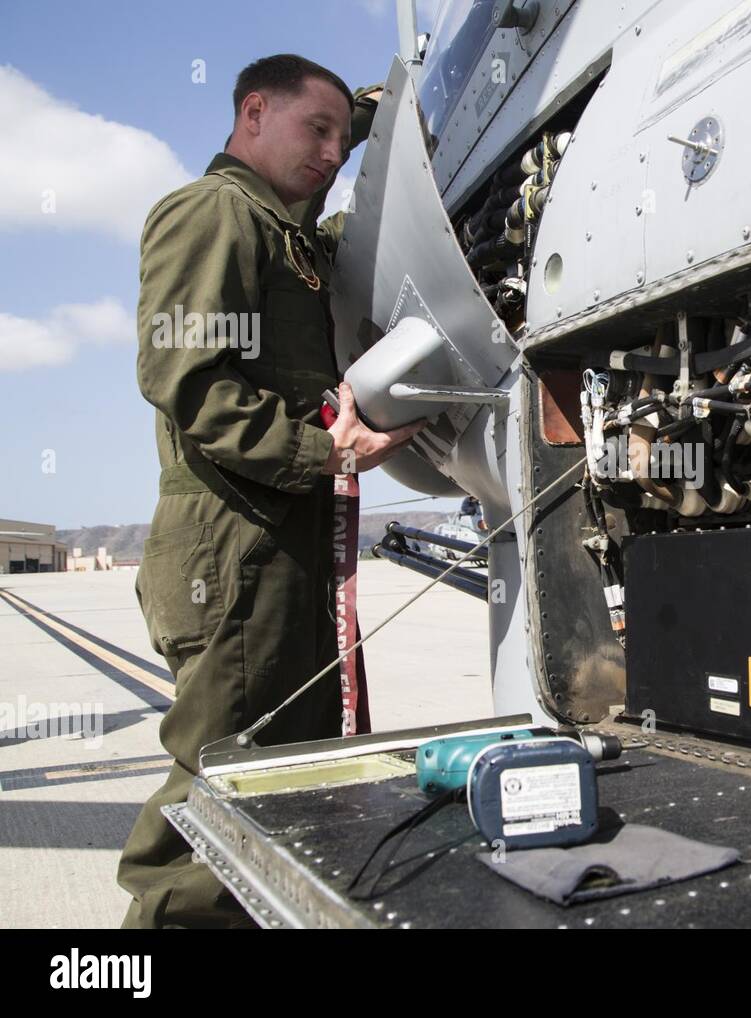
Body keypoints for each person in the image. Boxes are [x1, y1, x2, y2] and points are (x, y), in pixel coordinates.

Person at [117, 54, 422, 929]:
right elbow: (187, 378)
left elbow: (343, 141)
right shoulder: (214, 212)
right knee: (227, 796)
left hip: (278, 540)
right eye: (312, 131)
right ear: (253, 113)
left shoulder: (292, 238)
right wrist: (325, 453)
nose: (331, 154)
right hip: (236, 543)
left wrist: (389, 100)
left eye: (341, 137)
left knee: (299, 783)